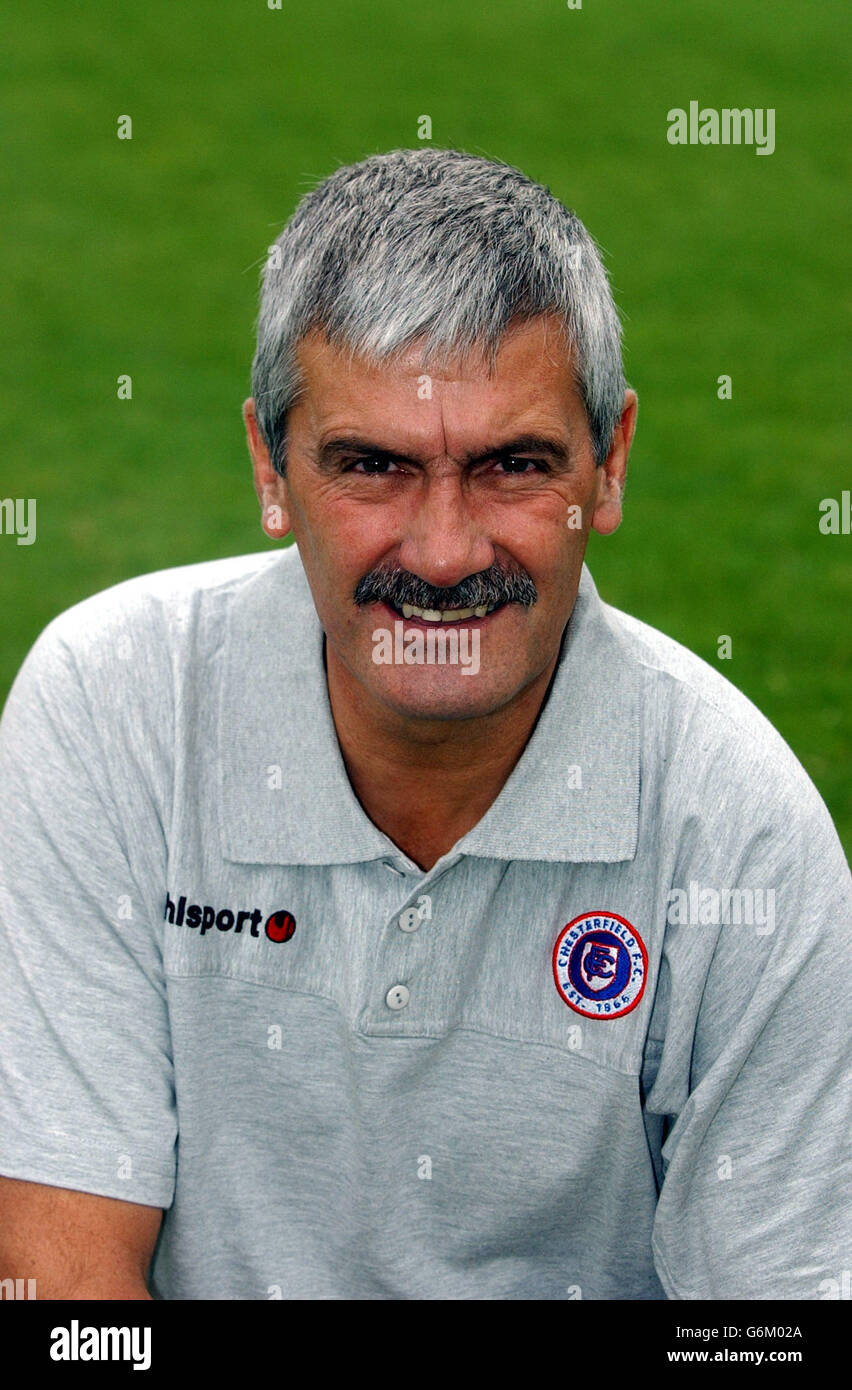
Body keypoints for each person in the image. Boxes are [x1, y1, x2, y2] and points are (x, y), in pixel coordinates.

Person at [0, 148, 849, 1301]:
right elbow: (62, 1277)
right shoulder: (109, 708)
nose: (444, 553)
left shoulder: (742, 828)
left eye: (512, 465)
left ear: (610, 466)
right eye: (373, 467)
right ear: (269, 463)